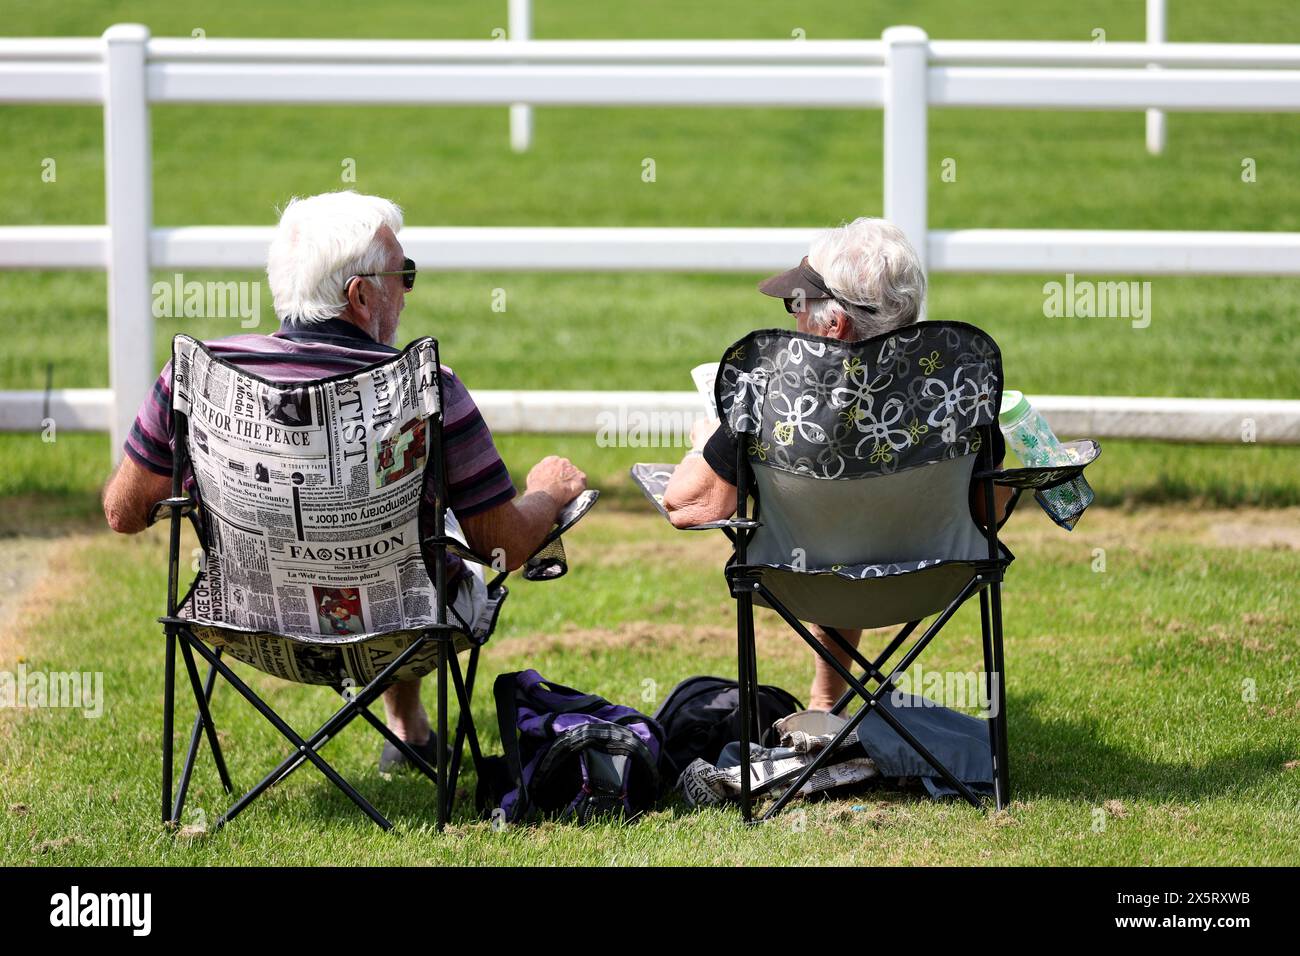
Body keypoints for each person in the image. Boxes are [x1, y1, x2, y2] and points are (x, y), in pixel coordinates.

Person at [102, 190, 587, 770]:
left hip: (246, 625)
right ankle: (408, 726)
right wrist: (549, 492)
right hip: (405, 631)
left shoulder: (194, 378)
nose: (407, 291)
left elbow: (123, 514)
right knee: (427, 531)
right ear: (361, 295)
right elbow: (498, 542)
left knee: (406, 517)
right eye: (403, 275)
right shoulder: (429, 389)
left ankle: (407, 726)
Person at [662, 217, 1012, 710]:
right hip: (936, 581)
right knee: (849, 525)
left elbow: (688, 506)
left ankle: (826, 706)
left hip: (801, 581)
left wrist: (704, 444)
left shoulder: (769, 394)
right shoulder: (956, 389)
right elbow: (991, 510)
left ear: (835, 324)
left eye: (797, 304)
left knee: (835, 533)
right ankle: (826, 702)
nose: (792, 319)